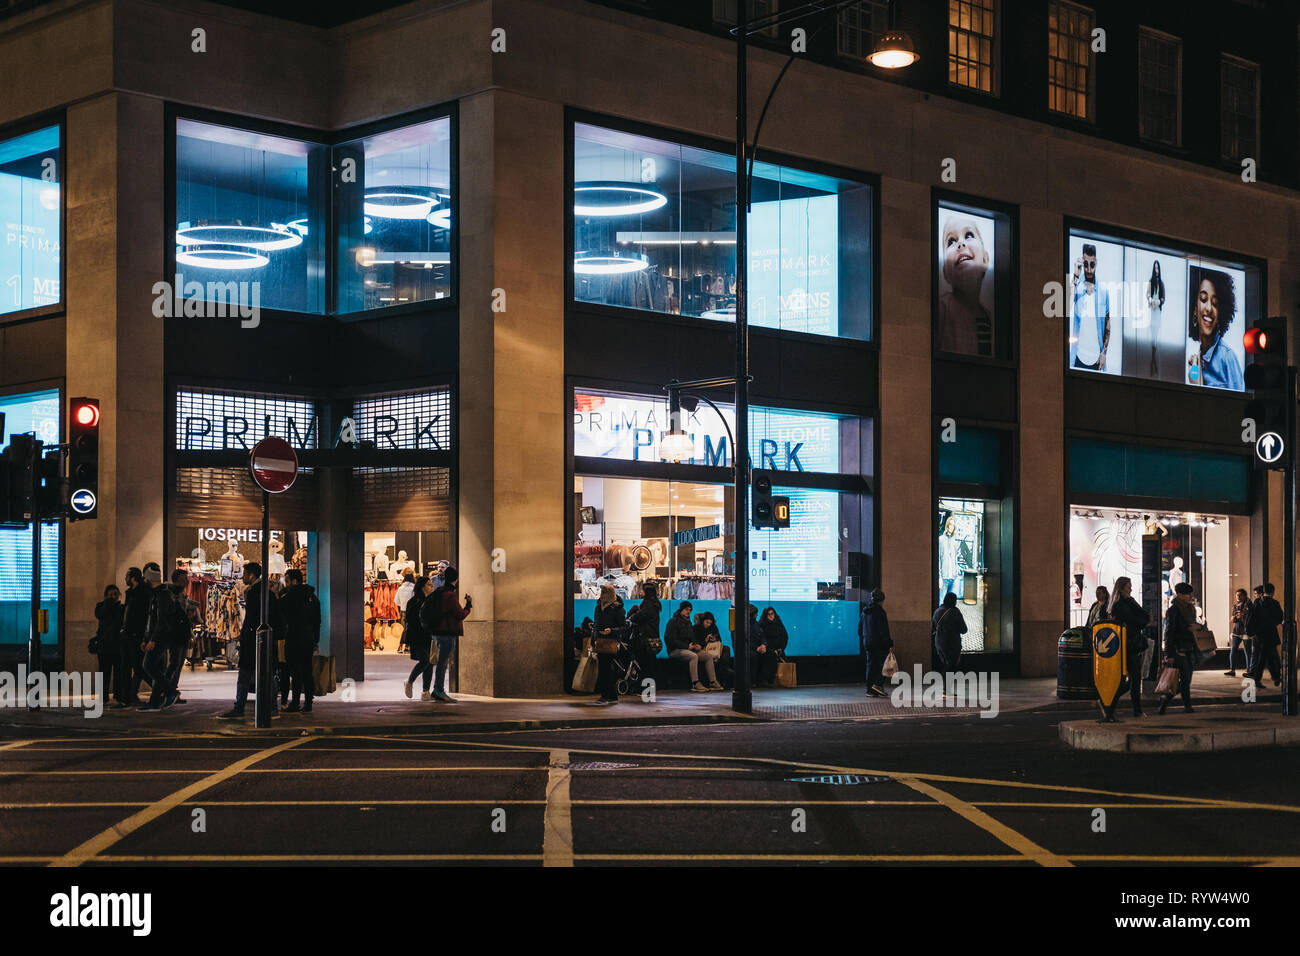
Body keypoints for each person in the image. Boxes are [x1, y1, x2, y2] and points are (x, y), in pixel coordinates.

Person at [218, 562, 283, 720]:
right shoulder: (267, 592)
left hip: (254, 640)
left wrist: (245, 635)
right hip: (264, 638)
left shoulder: (254, 592)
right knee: (267, 673)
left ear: (252, 575)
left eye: (245, 574)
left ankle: (239, 707)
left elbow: (251, 618)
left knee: (245, 675)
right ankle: (272, 706)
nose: (243, 577)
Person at [937, 215, 993, 356]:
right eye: (951, 241)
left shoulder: (990, 318)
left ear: (985, 260)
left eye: (968, 235)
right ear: (946, 273)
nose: (960, 244)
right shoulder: (941, 309)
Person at [138, 564, 188, 711]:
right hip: (158, 637)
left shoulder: (162, 594)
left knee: (148, 665)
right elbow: (152, 619)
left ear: (148, 577)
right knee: (156, 668)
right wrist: (146, 638)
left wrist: (152, 639)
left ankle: (170, 692)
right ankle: (155, 701)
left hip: (161, 637)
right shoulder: (159, 593)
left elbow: (161, 620)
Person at [1186, 266, 1243, 390]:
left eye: (1215, 303)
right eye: (1203, 299)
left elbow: (1239, 406)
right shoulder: (1197, 357)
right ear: (1194, 309)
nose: (1209, 308)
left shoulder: (1227, 358)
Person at [421, 565, 471, 703]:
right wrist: (468, 607)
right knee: (442, 663)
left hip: (437, 632)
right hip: (446, 633)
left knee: (441, 663)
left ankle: (438, 690)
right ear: (456, 579)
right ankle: (439, 690)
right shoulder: (449, 595)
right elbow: (459, 614)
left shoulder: (439, 592)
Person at [280, 568, 321, 713]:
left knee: (295, 673)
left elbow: (281, 615)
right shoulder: (313, 598)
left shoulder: (289, 597)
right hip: (308, 639)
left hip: (294, 638)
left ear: (294, 581)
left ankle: (295, 702)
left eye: (287, 581)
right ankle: (308, 703)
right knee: (307, 671)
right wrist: (316, 639)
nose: (286, 584)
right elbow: (318, 621)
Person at [1108, 576, 1150, 717]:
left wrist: (1131, 602)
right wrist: (1133, 605)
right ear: (1122, 588)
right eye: (1129, 586)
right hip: (1127, 645)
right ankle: (1110, 702)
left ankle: (1112, 703)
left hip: (1130, 644)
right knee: (1132, 678)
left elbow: (1144, 617)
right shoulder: (1120, 605)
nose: (1131, 588)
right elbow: (1138, 620)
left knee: (1133, 678)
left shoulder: (1126, 602)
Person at [1070, 242, 1111, 371]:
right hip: (1077, 357)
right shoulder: (1077, 287)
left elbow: (1108, 324)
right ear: (1082, 263)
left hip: (1097, 360)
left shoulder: (1103, 291)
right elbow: (1065, 308)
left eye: (1092, 264)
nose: (1088, 269)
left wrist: (1104, 353)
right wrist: (1076, 276)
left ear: (1096, 263)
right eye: (1085, 264)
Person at [1159, 582, 1198, 714]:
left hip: (1190, 648)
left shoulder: (1191, 609)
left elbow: (1194, 625)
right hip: (1178, 649)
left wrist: (1198, 627)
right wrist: (1168, 654)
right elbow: (1169, 632)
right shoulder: (1173, 610)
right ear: (1180, 595)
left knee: (1187, 680)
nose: (1189, 596)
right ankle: (1187, 706)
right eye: (1187, 594)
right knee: (1185, 679)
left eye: (1190, 594)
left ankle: (1166, 698)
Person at [665, 601, 714, 692]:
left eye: (690, 610)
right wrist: (687, 646)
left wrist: (696, 644)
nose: (688, 612)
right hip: (675, 650)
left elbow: (692, 637)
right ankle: (695, 683)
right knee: (693, 656)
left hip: (687, 649)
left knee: (707, 656)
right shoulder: (673, 621)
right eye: (686, 609)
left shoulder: (688, 623)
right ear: (681, 610)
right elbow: (671, 639)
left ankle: (713, 681)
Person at [119, 567, 149, 707]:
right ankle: (127, 697)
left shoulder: (142, 593)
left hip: (136, 635)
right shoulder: (130, 593)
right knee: (126, 667)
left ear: (132, 578)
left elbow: (141, 616)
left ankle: (162, 688)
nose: (125, 579)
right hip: (127, 635)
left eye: (127, 576)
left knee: (139, 667)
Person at [404, 575, 436, 701]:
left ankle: (426, 691)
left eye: (432, 585)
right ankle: (410, 681)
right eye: (429, 585)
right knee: (425, 661)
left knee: (429, 663)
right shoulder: (414, 601)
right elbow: (410, 619)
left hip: (429, 635)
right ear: (422, 587)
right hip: (417, 636)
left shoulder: (430, 601)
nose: (431, 587)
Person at [593, 585, 625, 705]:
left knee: (605, 669)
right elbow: (596, 622)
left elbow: (623, 627)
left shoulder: (617, 608)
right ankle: (612, 696)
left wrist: (611, 630)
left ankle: (605, 696)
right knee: (605, 669)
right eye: (602, 592)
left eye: (605, 593)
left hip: (611, 641)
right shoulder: (598, 606)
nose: (602, 595)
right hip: (600, 641)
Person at [93, 585, 125, 708]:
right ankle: (103, 697)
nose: (112, 597)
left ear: (119, 595)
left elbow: (120, 622)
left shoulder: (121, 608)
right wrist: (107, 604)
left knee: (118, 673)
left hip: (117, 645)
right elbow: (100, 616)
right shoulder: (101, 606)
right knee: (103, 673)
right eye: (110, 595)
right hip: (104, 645)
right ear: (106, 596)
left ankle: (118, 695)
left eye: (115, 594)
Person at [1247, 582, 1283, 688]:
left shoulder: (1257, 602)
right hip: (1270, 633)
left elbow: (1252, 617)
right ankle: (1261, 679)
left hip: (1259, 634)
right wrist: (1272, 623)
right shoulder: (1275, 603)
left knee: (1266, 656)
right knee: (1265, 657)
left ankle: (1275, 677)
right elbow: (1280, 617)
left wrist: (1251, 630)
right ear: (1272, 591)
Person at [859, 588, 893, 698]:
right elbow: (884, 630)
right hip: (878, 643)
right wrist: (889, 644)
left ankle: (870, 689)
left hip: (867, 642)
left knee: (870, 665)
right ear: (881, 600)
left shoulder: (865, 611)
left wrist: (864, 638)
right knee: (884, 665)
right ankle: (878, 684)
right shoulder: (880, 612)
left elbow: (859, 628)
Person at [626, 582, 662, 676]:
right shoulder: (653, 605)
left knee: (646, 665)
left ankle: (646, 688)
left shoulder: (648, 606)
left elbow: (638, 617)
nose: (640, 592)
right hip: (651, 638)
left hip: (645, 639)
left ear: (647, 592)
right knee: (650, 663)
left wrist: (632, 613)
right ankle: (649, 688)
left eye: (642, 590)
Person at [931, 592, 967, 681]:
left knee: (945, 665)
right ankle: (947, 689)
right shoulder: (955, 612)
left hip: (939, 643)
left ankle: (945, 688)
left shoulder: (937, 611)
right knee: (951, 667)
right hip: (952, 644)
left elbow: (932, 628)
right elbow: (964, 629)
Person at [757, 606, 790, 688]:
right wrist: (771, 649)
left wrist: (781, 648)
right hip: (768, 649)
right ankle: (766, 680)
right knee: (770, 658)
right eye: (768, 614)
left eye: (772, 614)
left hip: (779, 650)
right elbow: (762, 639)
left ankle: (780, 680)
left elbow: (785, 637)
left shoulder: (779, 624)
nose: (771, 616)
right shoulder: (762, 625)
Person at [1144, 259, 1165, 377]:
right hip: (1151, 312)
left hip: (1158, 312)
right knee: (1152, 335)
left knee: (1156, 335)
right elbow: (1147, 294)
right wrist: (1151, 299)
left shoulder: (1161, 283)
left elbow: (1164, 298)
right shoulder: (1150, 281)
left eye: (1158, 268)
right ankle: (1152, 361)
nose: (1156, 270)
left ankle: (1154, 360)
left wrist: (1159, 301)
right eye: (1155, 268)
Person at [1226, 588, 1252, 677]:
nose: (1238, 597)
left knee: (1247, 651)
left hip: (1246, 631)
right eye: (1237, 595)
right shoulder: (1235, 606)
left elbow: (1250, 617)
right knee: (1233, 649)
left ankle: (1249, 670)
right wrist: (1233, 618)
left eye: (1240, 595)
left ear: (1245, 596)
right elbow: (1233, 619)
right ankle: (1232, 669)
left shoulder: (1249, 605)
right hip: (1236, 631)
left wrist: (1242, 616)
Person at [938, 516, 962, 604]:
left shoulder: (955, 541)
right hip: (944, 578)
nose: (952, 527)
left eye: (953, 525)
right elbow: (939, 560)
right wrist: (939, 578)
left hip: (954, 578)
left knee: (952, 605)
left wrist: (957, 570)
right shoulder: (940, 540)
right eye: (951, 524)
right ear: (947, 525)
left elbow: (955, 558)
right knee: (942, 604)